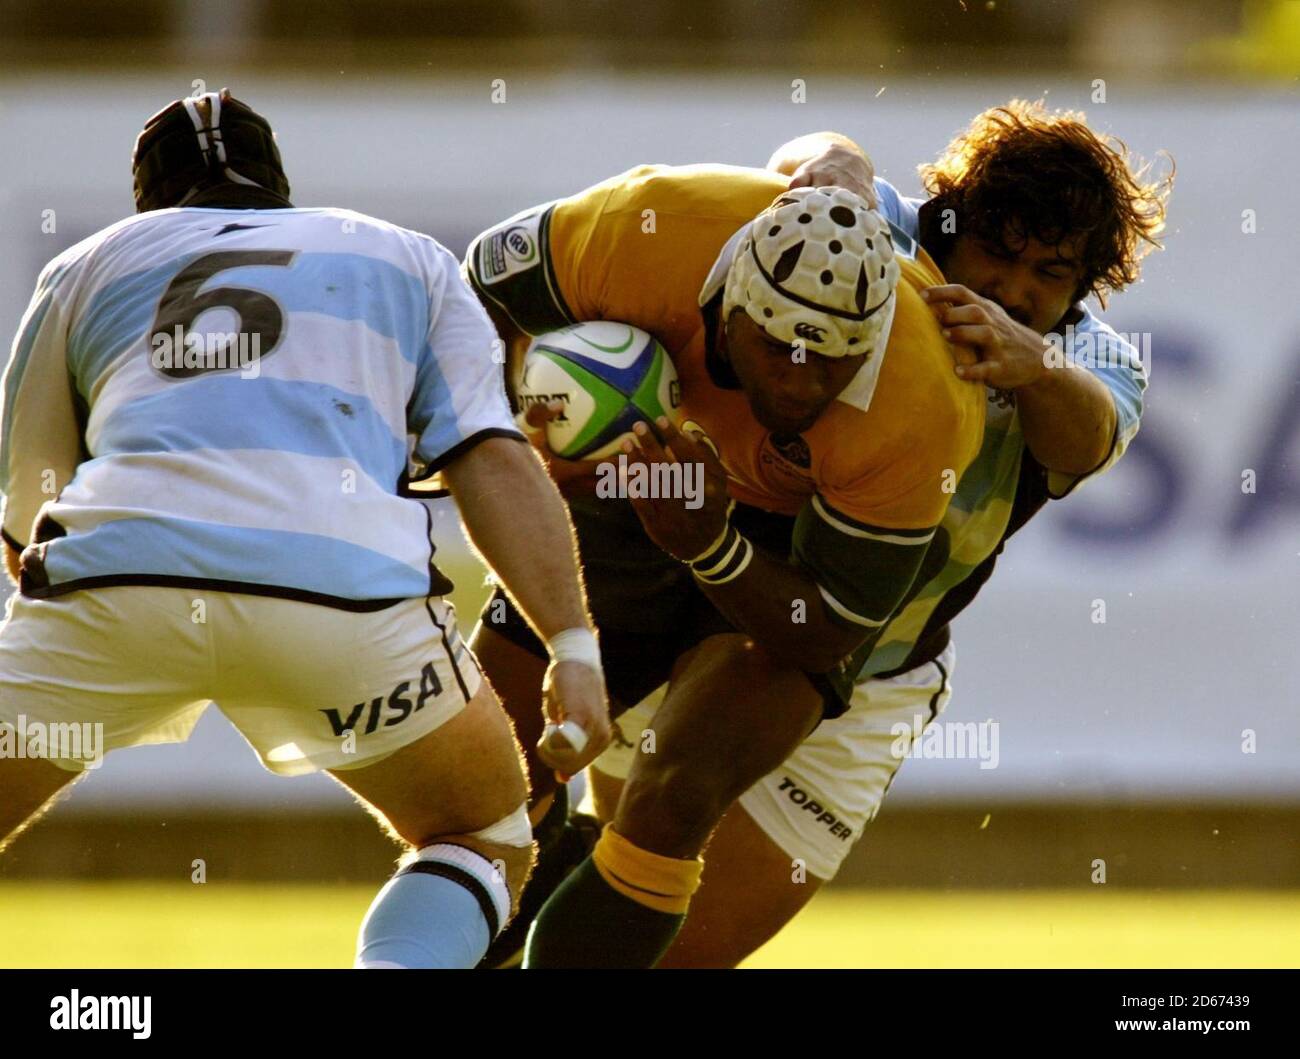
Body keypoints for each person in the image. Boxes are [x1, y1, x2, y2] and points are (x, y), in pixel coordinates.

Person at [0, 89, 609, 969]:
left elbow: (27, 516)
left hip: (111, 579)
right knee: (483, 830)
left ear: (151, 208)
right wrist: (572, 645)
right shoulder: (407, 257)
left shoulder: (89, 264)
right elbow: (490, 456)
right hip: (343, 593)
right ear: (281, 193)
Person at [595, 101, 1170, 966]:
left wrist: (1032, 362)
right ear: (953, 220)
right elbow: (804, 156)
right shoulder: (882, 243)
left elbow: (1086, 437)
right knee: (604, 888)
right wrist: (842, 160)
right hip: (715, 618)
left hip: (870, 683)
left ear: (1085, 285)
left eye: (1050, 274)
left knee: (677, 956)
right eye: (1000, 254)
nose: (1015, 292)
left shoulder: (1088, 361)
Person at [462, 162, 985, 966]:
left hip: (789, 553)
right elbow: (473, 297)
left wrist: (713, 543)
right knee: (479, 776)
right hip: (631, 482)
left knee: (675, 790)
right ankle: (527, 865)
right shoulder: (651, 226)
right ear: (729, 294)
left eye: (834, 359)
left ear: (876, 333)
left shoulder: (924, 396)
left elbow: (827, 629)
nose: (798, 377)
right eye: (775, 344)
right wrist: (510, 420)